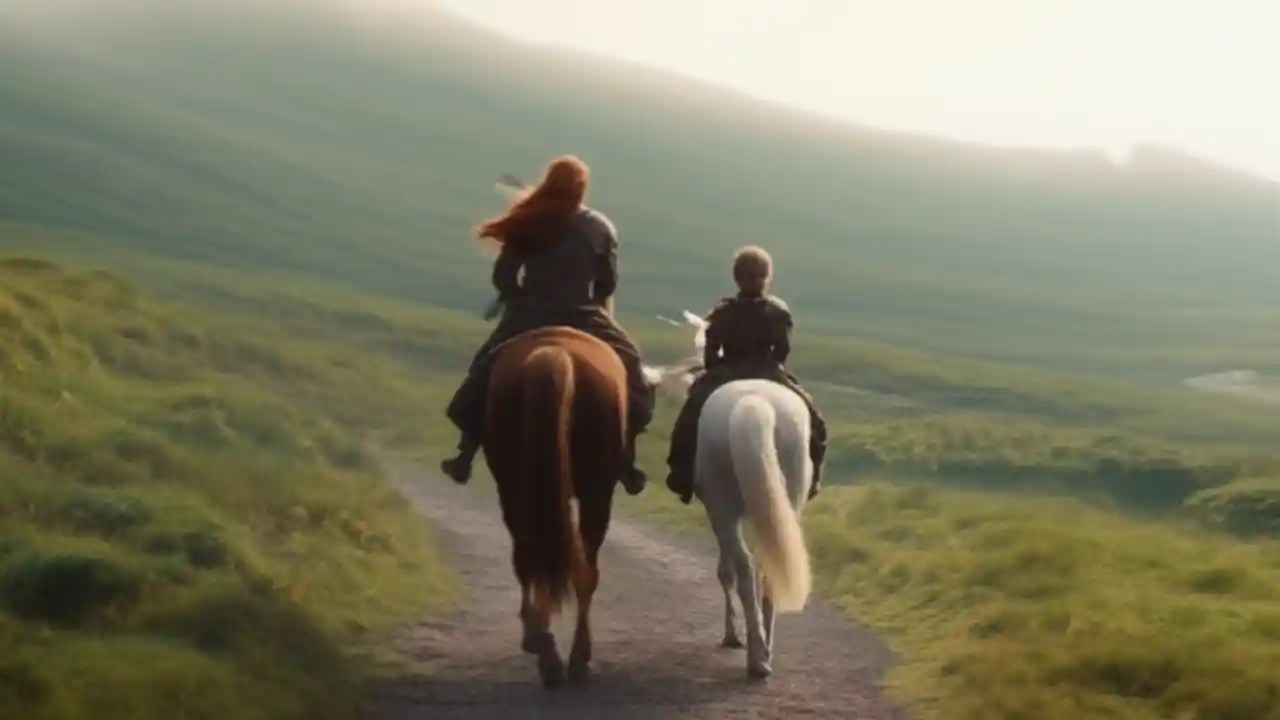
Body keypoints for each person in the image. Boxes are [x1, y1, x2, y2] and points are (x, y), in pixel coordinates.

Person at [442, 155, 654, 494]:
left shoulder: (529, 220)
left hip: (531, 313)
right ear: (583, 189)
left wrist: (519, 296)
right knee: (633, 372)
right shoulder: (600, 227)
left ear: (549, 182)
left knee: (484, 370)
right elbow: (607, 285)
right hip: (585, 316)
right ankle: (627, 461)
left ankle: (464, 455)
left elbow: (504, 276)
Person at [665, 246, 827, 504]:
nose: (756, 280)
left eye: (758, 275)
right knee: (813, 419)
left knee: (692, 414)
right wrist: (773, 366)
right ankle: (814, 475)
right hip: (768, 370)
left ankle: (681, 472)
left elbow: (711, 347)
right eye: (754, 275)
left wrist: (713, 368)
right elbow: (783, 349)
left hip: (727, 370)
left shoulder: (724, 311)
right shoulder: (778, 311)